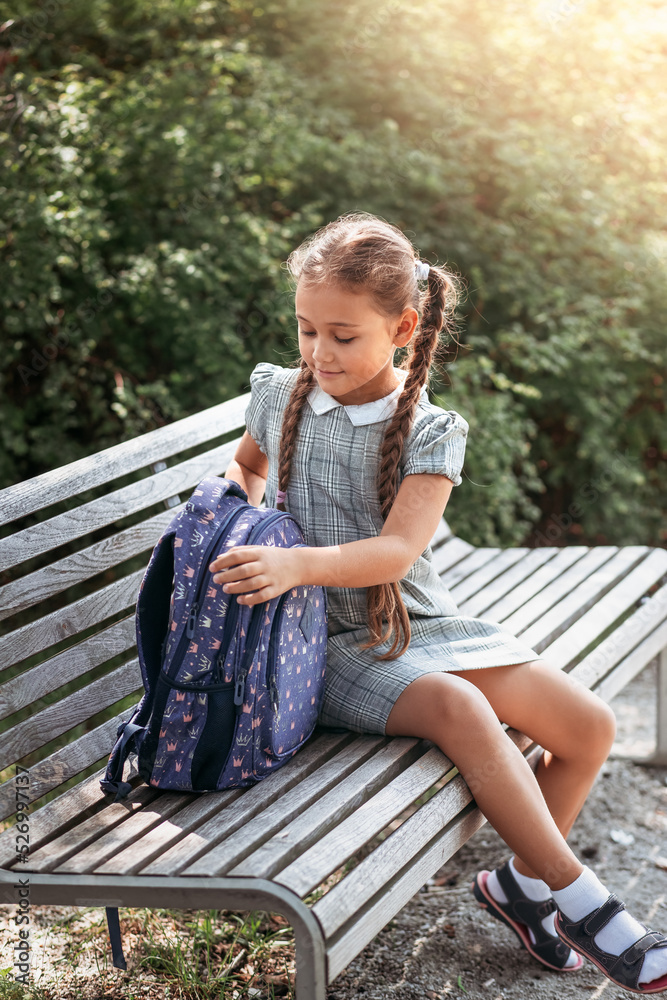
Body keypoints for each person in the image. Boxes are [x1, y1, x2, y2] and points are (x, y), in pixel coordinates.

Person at [209, 211, 667, 994]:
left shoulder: (428, 429)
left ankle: (518, 891)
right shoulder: (276, 395)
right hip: (321, 644)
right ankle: (584, 903)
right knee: (459, 709)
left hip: (415, 624)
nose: (319, 352)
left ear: (403, 326)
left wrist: (297, 560)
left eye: (343, 335)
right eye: (306, 329)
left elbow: (395, 553)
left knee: (587, 726)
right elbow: (242, 476)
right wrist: (236, 528)